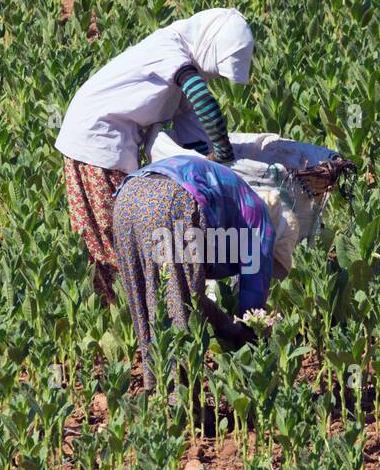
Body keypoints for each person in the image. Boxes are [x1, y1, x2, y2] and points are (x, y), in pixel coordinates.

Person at [56, 8, 255, 303]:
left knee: (123, 232)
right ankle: (125, 311)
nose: (210, 76)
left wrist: (211, 166)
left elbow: (194, 136)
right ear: (208, 42)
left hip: (108, 141)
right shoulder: (170, 50)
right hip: (96, 139)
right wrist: (224, 156)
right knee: (115, 235)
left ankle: (129, 308)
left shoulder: (182, 71)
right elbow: (205, 103)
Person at [111, 155, 297, 390]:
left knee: (144, 298)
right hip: (172, 198)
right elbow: (253, 294)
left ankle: (158, 393)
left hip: (127, 196)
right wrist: (251, 335)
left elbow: (191, 294)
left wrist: (227, 326)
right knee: (180, 313)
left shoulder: (237, 200)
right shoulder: (259, 217)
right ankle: (182, 402)